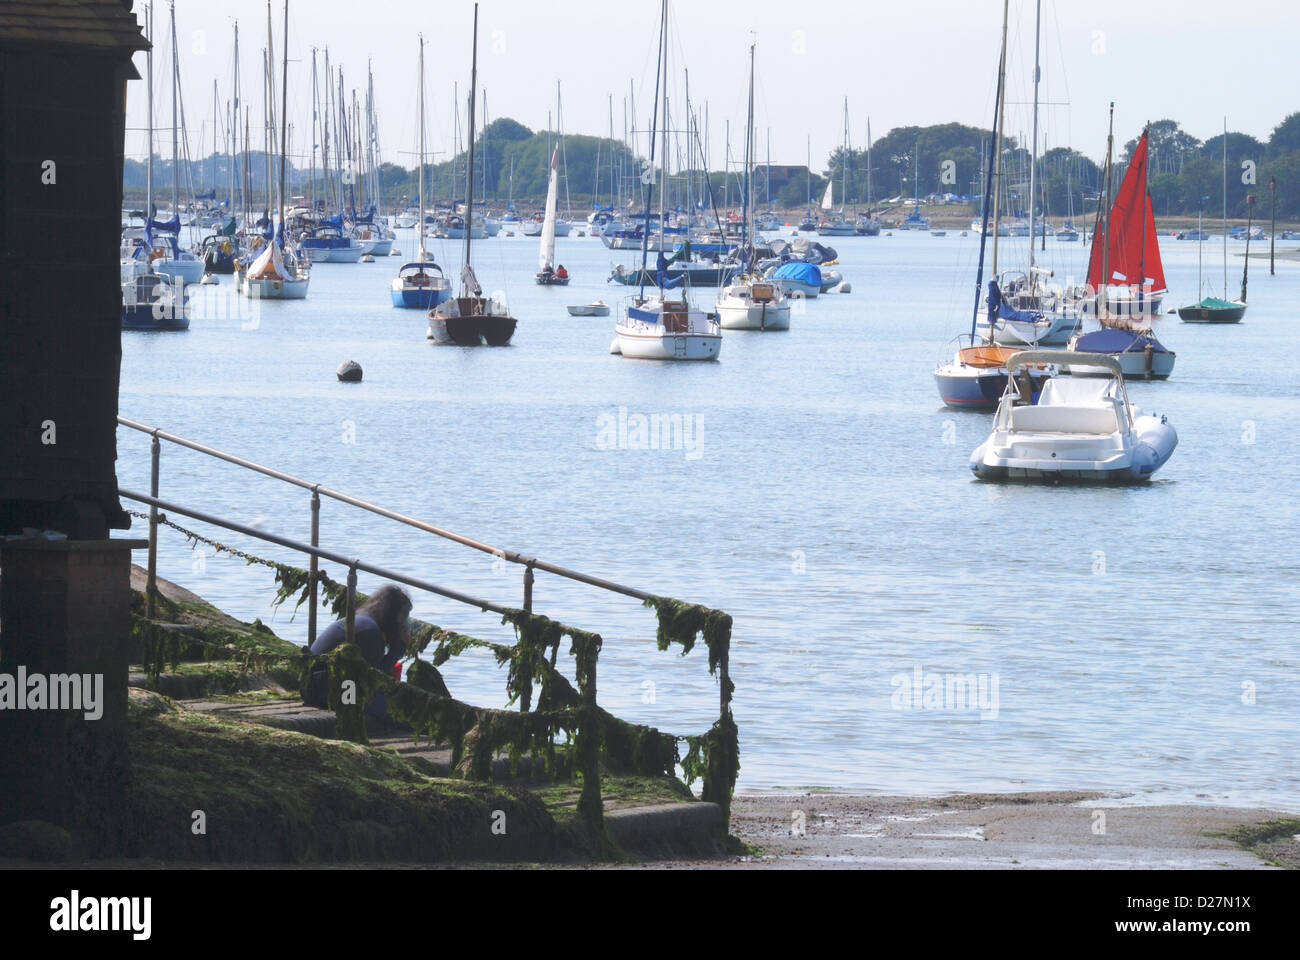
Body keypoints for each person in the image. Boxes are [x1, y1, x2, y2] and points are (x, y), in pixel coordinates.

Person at [305, 585, 412, 719]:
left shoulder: (365, 622)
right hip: (325, 692)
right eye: (403, 617)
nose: (404, 624)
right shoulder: (370, 631)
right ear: (392, 616)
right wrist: (399, 648)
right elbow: (373, 679)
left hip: (318, 686)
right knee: (400, 711)